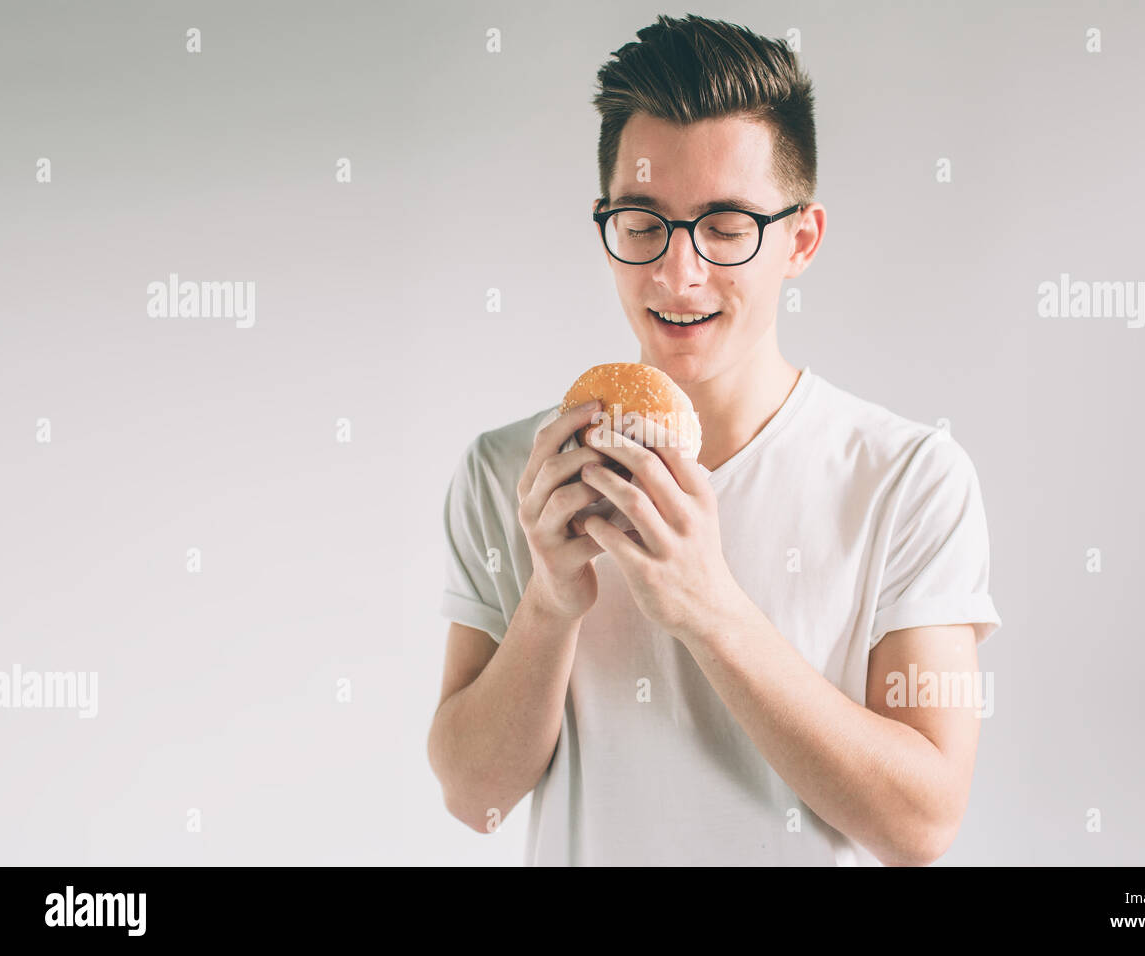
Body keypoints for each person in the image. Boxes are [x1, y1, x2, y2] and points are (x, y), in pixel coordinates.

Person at [428, 13, 1002, 866]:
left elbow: (921, 825)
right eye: (642, 220)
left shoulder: (909, 480)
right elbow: (473, 799)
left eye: (727, 225)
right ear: (604, 224)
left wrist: (710, 610)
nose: (676, 272)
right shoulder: (515, 472)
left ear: (799, 241)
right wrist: (550, 599)